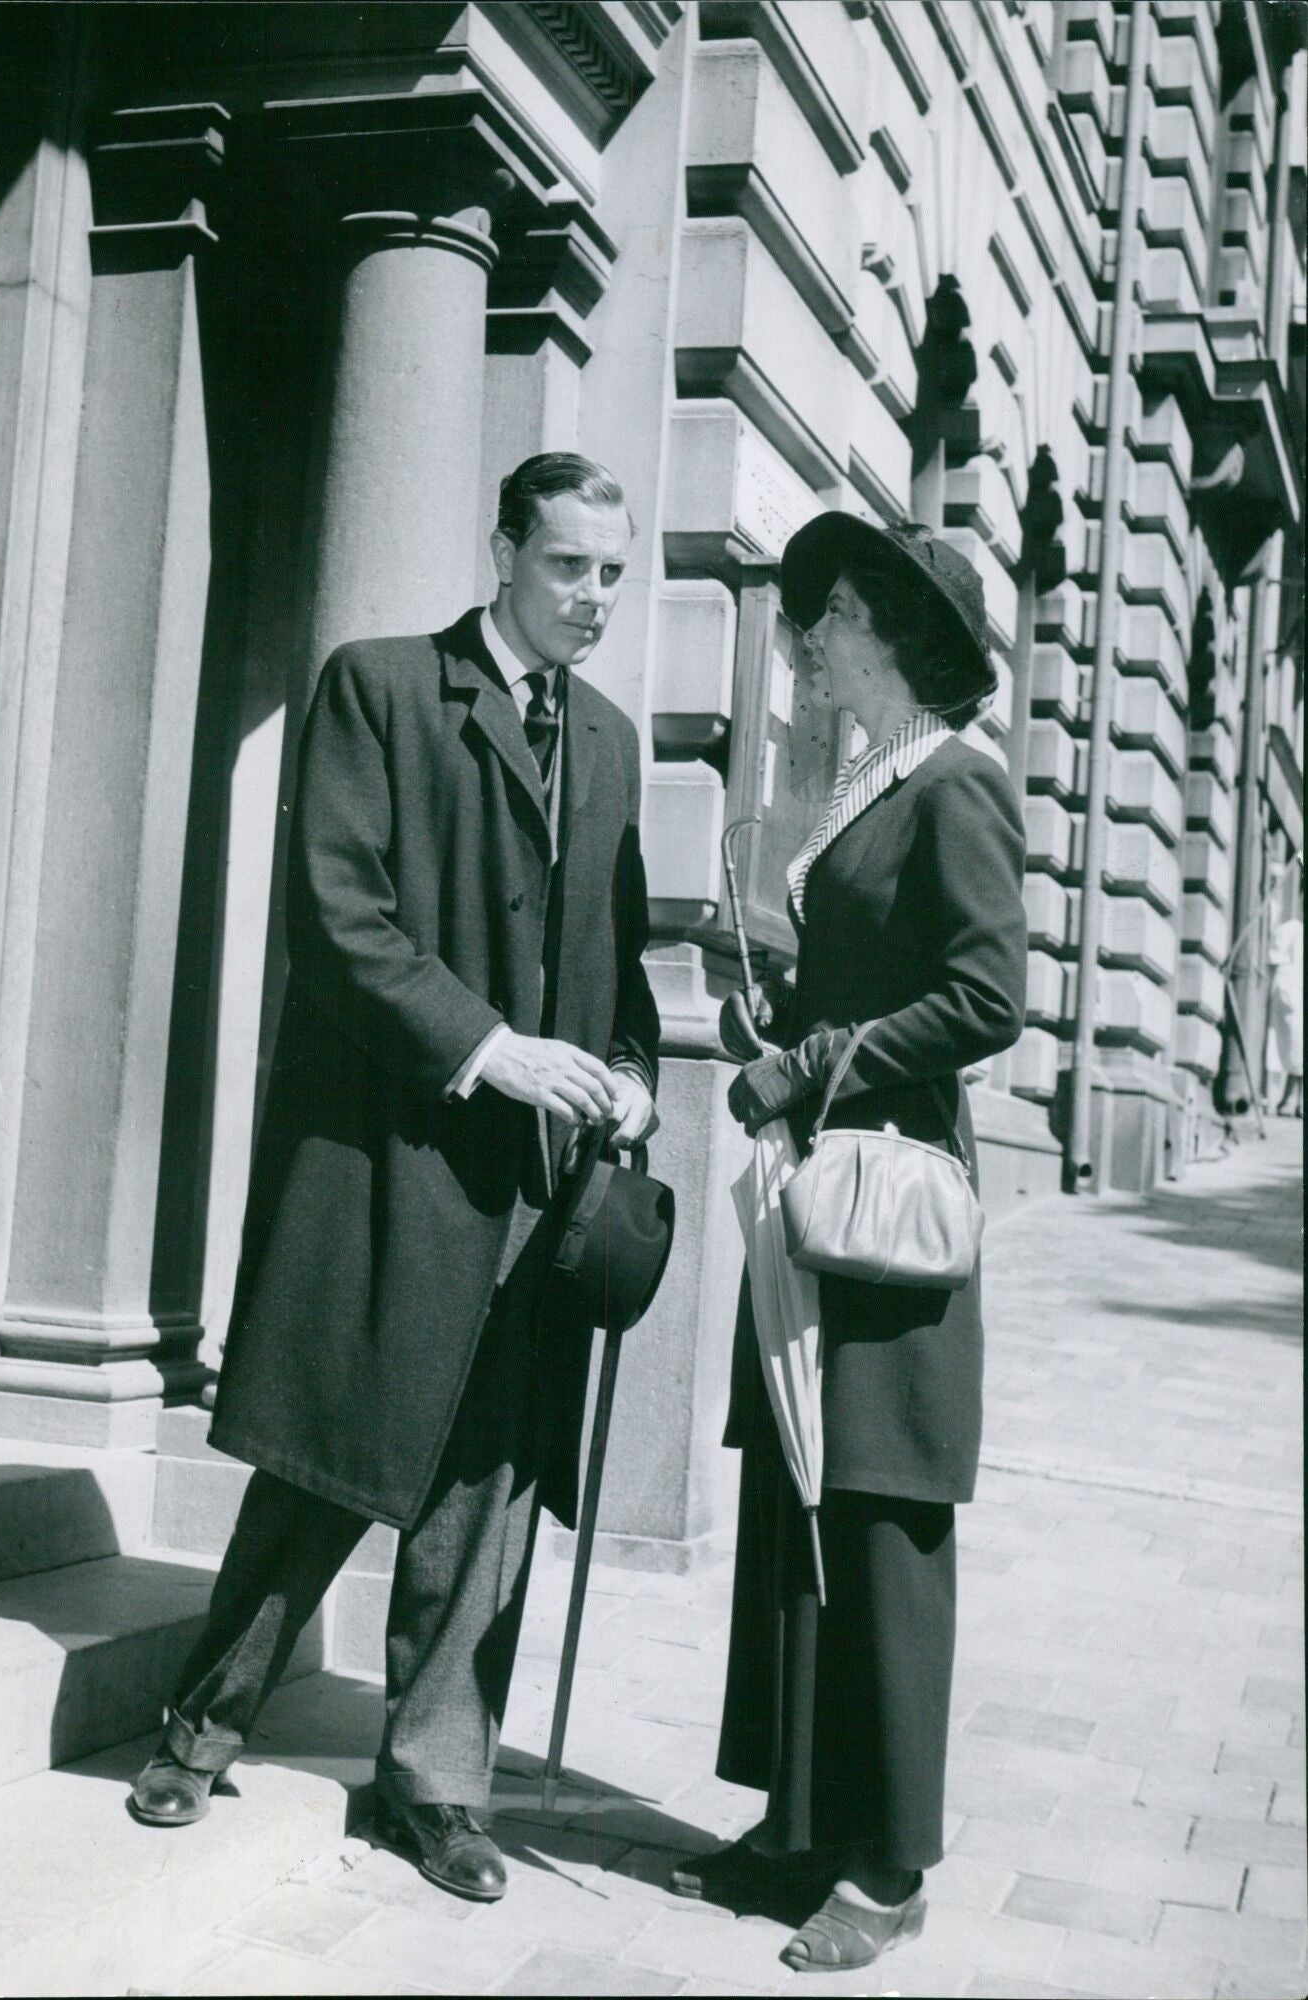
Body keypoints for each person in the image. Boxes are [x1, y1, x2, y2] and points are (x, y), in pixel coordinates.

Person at [128, 453, 660, 1905]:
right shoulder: (378, 685)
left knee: (486, 1490)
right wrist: (491, 1048)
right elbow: (336, 912)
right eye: (568, 565)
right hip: (397, 1151)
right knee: (326, 1458)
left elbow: (620, 955)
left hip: (536, 1187)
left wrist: (628, 1076)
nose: (593, 596)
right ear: (503, 552)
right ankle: (202, 1723)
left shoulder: (611, 741)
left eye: (613, 572)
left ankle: (435, 1786)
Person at [670, 514, 1027, 1973]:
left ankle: (885, 1869)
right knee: (802, 1493)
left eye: (826, 617)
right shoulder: (863, 786)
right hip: (821, 1193)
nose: (807, 637)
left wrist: (816, 1061)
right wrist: (780, 1020)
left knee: (882, 1515)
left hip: (889, 1207)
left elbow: (987, 999)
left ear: (885, 631)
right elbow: (871, 976)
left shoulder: (957, 786)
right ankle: (801, 1826)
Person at [1267, 876, 1303, 1118]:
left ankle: (1294, 1099)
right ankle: (1289, 1098)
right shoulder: (1293, 930)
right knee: (1295, 1045)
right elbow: (1277, 963)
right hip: (1294, 995)